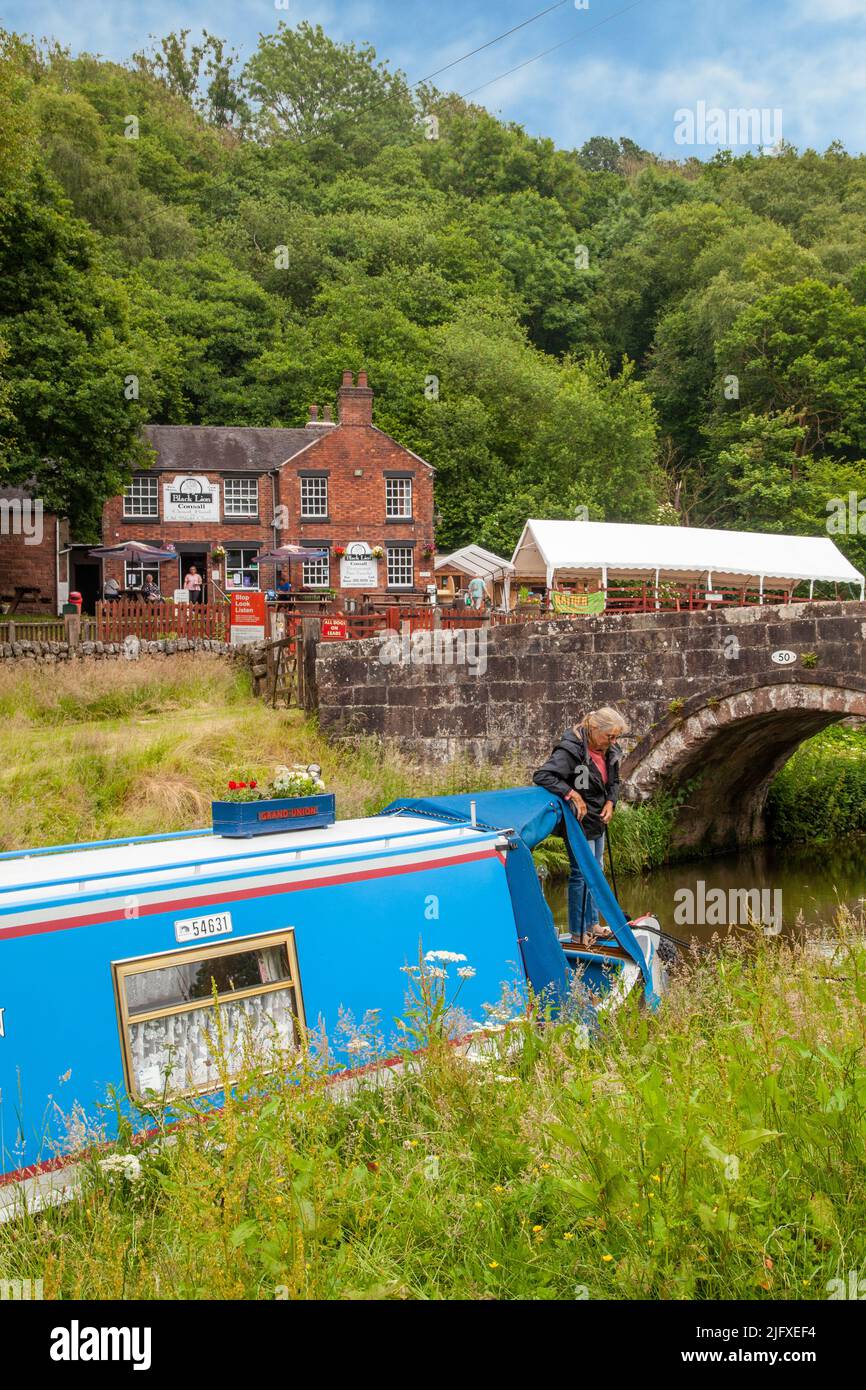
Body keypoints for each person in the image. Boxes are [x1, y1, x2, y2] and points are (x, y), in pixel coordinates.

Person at [532, 707, 630, 945]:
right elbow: (543, 776)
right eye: (610, 736)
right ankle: (577, 933)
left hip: (598, 819)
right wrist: (572, 794)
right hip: (577, 822)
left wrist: (611, 801)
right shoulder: (571, 750)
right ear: (594, 728)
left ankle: (593, 925)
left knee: (596, 871)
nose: (613, 742)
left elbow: (614, 781)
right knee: (580, 875)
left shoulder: (609, 750)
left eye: (616, 737)